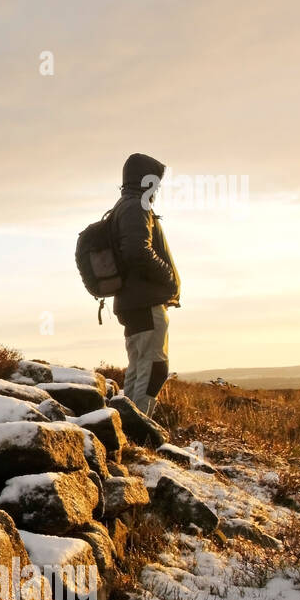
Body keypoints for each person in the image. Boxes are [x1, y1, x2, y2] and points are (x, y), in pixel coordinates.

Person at [111, 152, 180, 418]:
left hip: (132, 302)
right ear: (146, 181)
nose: (159, 188)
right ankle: (138, 427)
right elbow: (137, 251)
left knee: (139, 367)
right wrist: (168, 278)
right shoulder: (136, 206)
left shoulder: (124, 205)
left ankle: (125, 426)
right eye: (156, 182)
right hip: (145, 301)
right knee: (154, 368)